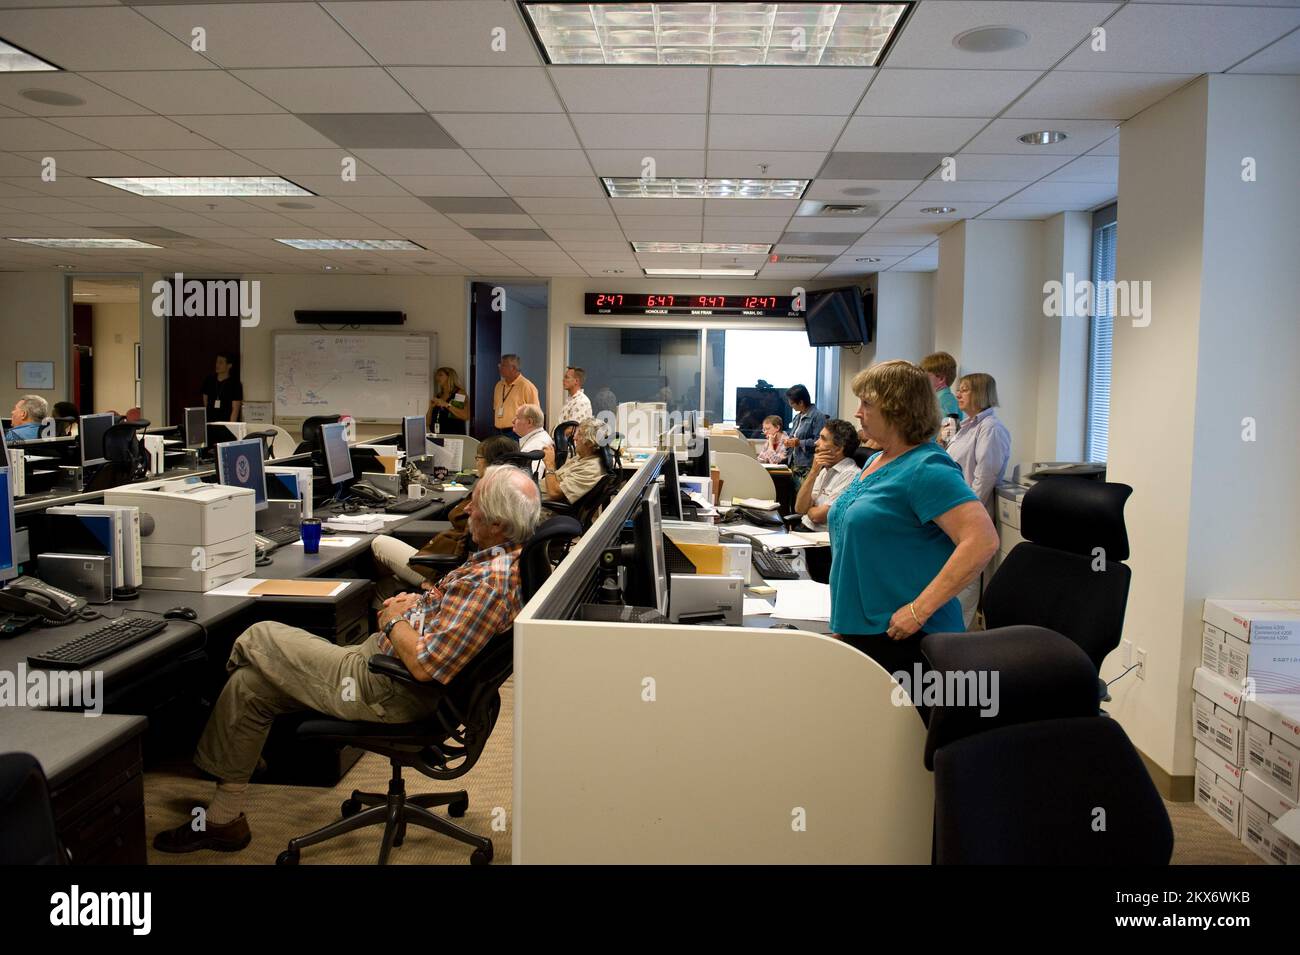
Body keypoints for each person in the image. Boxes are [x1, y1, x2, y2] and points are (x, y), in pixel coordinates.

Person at [152, 465, 541, 853]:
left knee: (257, 636)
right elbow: (447, 624)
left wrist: (393, 619)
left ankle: (201, 740)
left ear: (500, 524)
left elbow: (424, 665)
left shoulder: (489, 583)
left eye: (477, 507)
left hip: (387, 687)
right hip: (384, 669)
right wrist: (418, 603)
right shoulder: (506, 559)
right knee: (250, 686)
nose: (468, 510)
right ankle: (224, 819)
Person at [827, 361, 998, 718]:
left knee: (902, 758)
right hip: (866, 632)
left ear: (897, 408)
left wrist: (919, 610)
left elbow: (982, 540)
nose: (858, 413)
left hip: (908, 639)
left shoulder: (925, 468)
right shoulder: (877, 460)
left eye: (866, 404)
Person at [369, 434, 518, 600]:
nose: (476, 462)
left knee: (378, 542)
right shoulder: (509, 489)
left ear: (491, 461)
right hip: (450, 561)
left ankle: (406, 603)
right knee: (388, 583)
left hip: (441, 570)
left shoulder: (486, 493)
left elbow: (457, 518)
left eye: (478, 458)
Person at [947, 372, 1013, 627]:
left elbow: (985, 477)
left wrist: (965, 514)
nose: (958, 394)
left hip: (970, 512)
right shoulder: (967, 426)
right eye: (959, 389)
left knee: (965, 579)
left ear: (981, 394)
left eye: (964, 390)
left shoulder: (991, 429)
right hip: (954, 509)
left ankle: (957, 638)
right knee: (952, 577)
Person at [794, 419, 860, 532]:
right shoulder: (825, 469)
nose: (816, 443)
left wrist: (809, 509)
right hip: (804, 529)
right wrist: (813, 472)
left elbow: (818, 516)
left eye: (823, 439)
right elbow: (800, 508)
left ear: (838, 448)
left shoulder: (851, 474)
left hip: (819, 540)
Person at [540, 418, 606, 505]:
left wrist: (549, 464)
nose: (574, 438)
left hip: (541, 507)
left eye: (580, 434)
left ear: (590, 442)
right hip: (535, 495)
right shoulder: (581, 457)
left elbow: (554, 493)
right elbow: (557, 479)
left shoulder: (591, 468)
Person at [782, 385, 827, 487]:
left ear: (801, 402)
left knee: (804, 495)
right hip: (794, 463)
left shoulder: (817, 416)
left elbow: (820, 442)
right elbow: (793, 436)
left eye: (792, 403)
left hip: (807, 465)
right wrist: (788, 442)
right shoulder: (798, 417)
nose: (790, 405)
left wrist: (799, 443)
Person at [920, 351, 962, 447]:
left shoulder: (946, 401)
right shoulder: (940, 400)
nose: (921, 379)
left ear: (941, 379)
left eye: (925, 376)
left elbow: (947, 438)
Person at [492, 354, 540, 437]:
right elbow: (495, 407)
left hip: (516, 432)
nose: (499, 367)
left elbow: (535, 414)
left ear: (513, 368)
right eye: (500, 365)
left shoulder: (527, 386)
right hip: (498, 431)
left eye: (503, 365)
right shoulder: (499, 385)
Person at [512, 403, 552, 480]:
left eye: (517, 418)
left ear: (529, 422)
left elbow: (530, 478)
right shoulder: (540, 437)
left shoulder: (537, 445)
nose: (513, 421)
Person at [426, 366, 468, 436]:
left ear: (449, 377)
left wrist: (446, 405)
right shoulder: (438, 395)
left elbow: (464, 416)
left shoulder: (458, 393)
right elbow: (427, 422)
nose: (437, 378)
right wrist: (430, 407)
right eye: (436, 375)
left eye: (440, 375)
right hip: (437, 437)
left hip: (454, 437)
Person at [201, 352, 243, 423]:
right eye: (217, 362)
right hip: (210, 422)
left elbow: (235, 409)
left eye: (221, 363)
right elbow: (205, 403)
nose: (217, 365)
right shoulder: (209, 380)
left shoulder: (235, 384)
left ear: (229, 365)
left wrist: (231, 427)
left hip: (226, 423)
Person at [556, 366, 593, 432]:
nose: (563, 380)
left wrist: (558, 437)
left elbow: (573, 429)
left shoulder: (581, 401)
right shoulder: (571, 400)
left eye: (567, 377)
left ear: (576, 381)